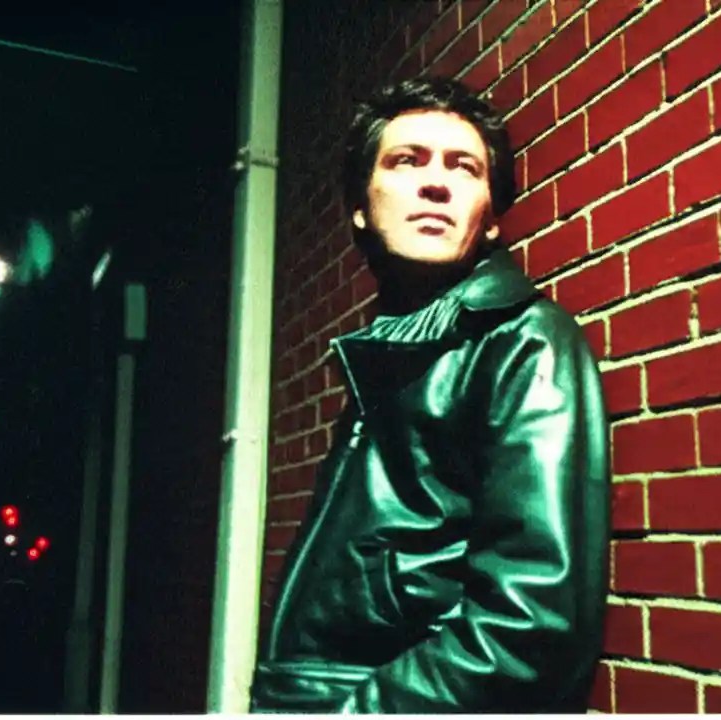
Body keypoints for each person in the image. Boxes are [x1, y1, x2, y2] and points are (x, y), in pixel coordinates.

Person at [250, 76, 609, 713]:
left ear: (491, 219)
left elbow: (529, 629)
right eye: (406, 160)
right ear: (361, 205)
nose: (436, 182)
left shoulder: (523, 343)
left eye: (464, 168)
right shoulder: (393, 354)